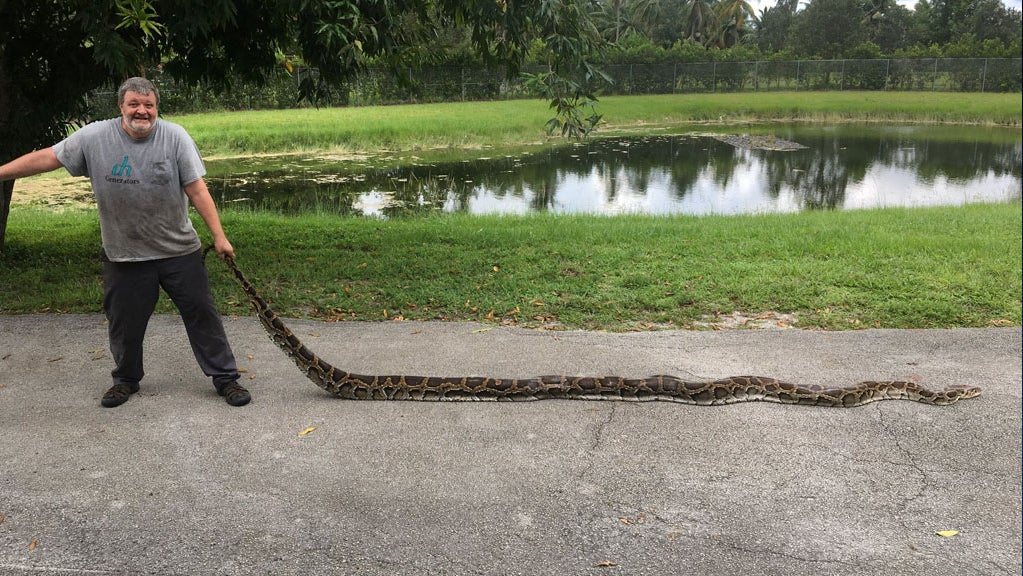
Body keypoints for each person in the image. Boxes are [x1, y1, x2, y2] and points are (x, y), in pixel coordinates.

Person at [0, 77, 251, 408]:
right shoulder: (94, 137)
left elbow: (197, 188)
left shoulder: (175, 137)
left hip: (179, 251)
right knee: (124, 325)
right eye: (134, 104)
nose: (142, 111)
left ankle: (225, 378)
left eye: (149, 105)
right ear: (121, 107)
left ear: (156, 108)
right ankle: (126, 380)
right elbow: (48, 158)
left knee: (203, 315)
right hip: (124, 254)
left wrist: (219, 237)